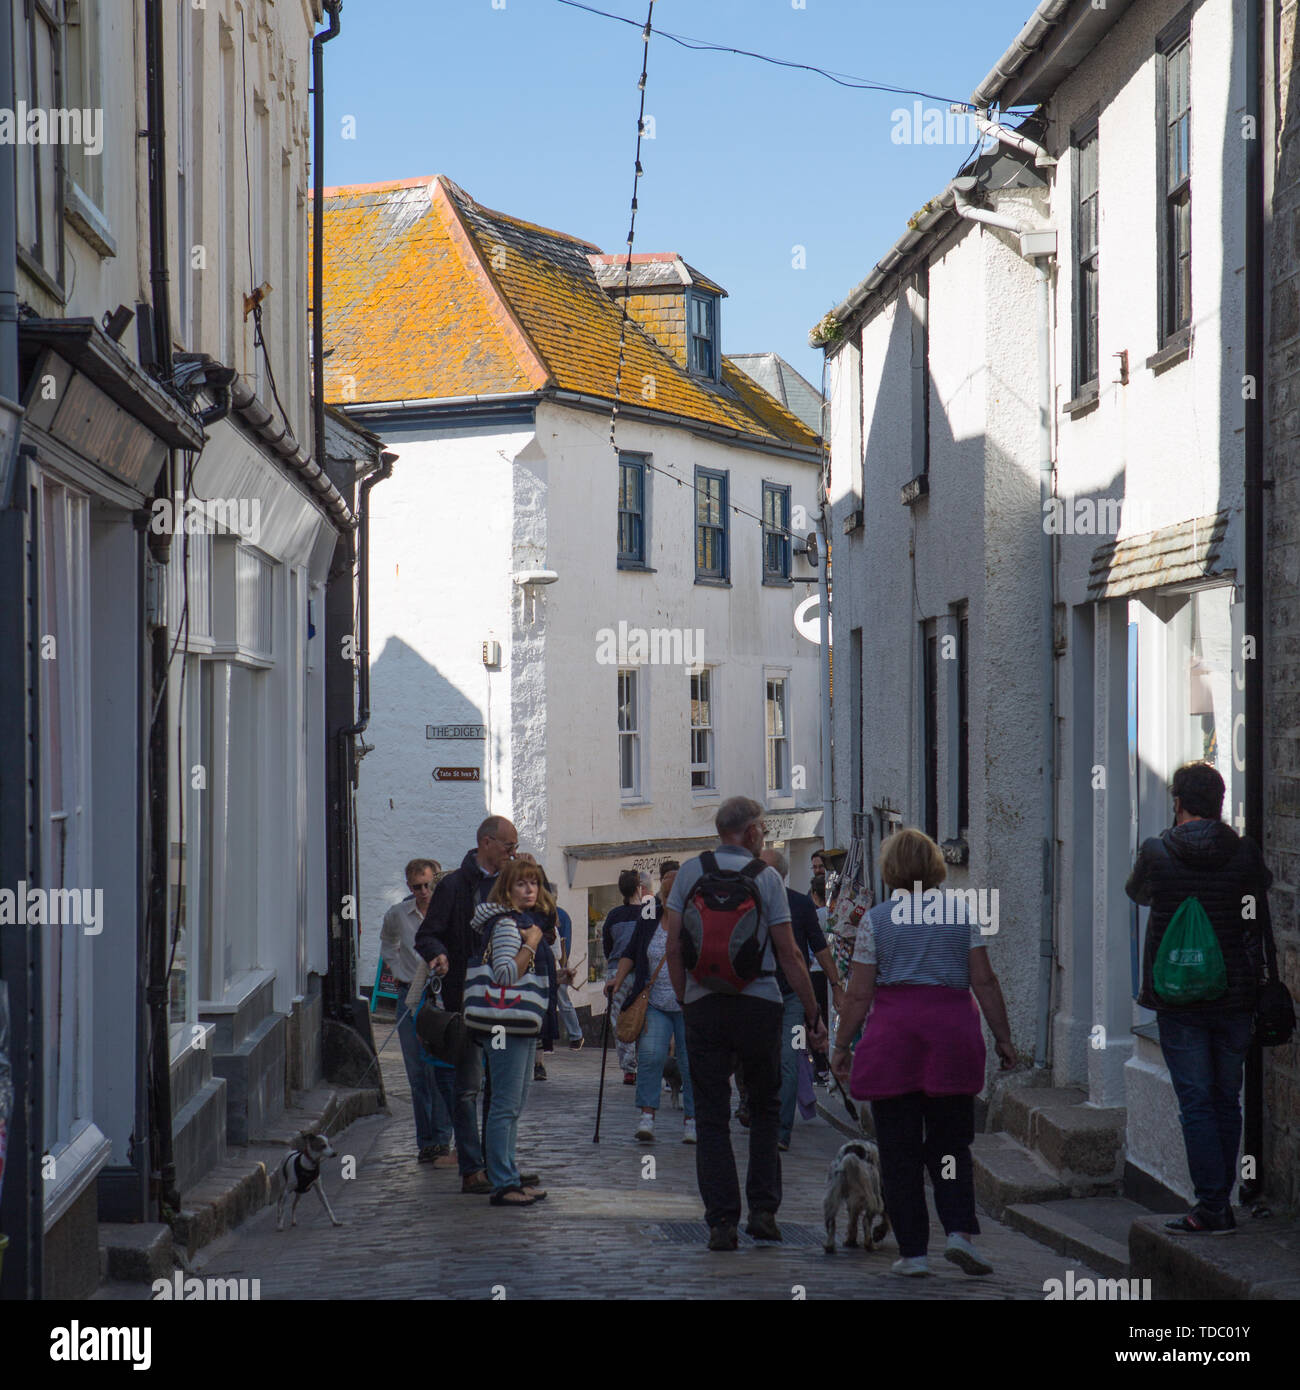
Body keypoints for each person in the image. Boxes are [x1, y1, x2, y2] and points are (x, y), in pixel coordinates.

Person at [831, 827, 1015, 1278]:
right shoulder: (961, 915)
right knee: (951, 1143)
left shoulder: (877, 920)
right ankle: (957, 1232)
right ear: (935, 868)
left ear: (891, 870)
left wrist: (840, 1046)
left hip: (895, 1039)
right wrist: (1004, 1039)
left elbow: (858, 995)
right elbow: (985, 982)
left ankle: (913, 1251)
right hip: (951, 1036)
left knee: (898, 1151)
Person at [663, 796, 827, 1251]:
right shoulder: (767, 878)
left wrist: (685, 997)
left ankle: (721, 1222)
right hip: (759, 1004)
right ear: (752, 832)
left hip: (704, 1006)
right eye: (762, 830)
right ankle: (763, 1212)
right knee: (765, 1108)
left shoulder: (691, 872)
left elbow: (674, 946)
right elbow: (791, 954)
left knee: (712, 1114)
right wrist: (812, 1014)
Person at [1125, 761, 1272, 1235]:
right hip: (1234, 995)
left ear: (1179, 803)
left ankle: (1211, 1206)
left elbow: (1138, 893)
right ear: (1220, 803)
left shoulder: (1157, 852)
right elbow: (1259, 894)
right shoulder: (1244, 852)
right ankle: (1222, 1198)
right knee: (1227, 1099)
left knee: (1196, 1102)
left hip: (1180, 995)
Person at [416, 816, 518, 1195]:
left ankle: (500, 1165)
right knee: (468, 1088)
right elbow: (428, 934)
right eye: (508, 845)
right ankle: (472, 1168)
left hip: (506, 1006)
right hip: (467, 1004)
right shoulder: (455, 885)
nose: (513, 851)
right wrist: (439, 955)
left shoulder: (511, 884)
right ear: (487, 843)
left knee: (502, 1088)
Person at [470, 859, 552, 1207]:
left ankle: (510, 1175)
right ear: (507, 889)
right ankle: (502, 1183)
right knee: (504, 1104)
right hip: (506, 1023)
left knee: (513, 1104)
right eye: (521, 884)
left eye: (534, 883)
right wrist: (531, 944)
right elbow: (504, 974)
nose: (530, 890)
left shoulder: (523, 922)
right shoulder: (507, 925)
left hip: (521, 1021)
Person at [760, 849, 844, 1150]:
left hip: (792, 997)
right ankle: (755, 1111)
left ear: (780, 874)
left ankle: (781, 1131)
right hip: (758, 997)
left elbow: (820, 948)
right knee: (757, 1060)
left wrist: (835, 984)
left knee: (788, 1061)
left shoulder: (799, 904)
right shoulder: (749, 903)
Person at [380, 858, 457, 1165]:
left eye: (428, 885)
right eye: (416, 887)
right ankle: (426, 1141)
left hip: (440, 996)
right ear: (408, 886)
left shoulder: (447, 912)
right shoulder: (398, 914)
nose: (424, 892)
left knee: (440, 1068)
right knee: (416, 1073)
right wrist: (398, 970)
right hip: (410, 995)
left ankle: (442, 1138)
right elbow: (388, 942)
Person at [605, 896, 697, 1145]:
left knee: (690, 1063)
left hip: (688, 1003)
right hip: (655, 1001)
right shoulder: (649, 918)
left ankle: (692, 1120)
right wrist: (619, 980)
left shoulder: (694, 919)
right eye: (666, 896)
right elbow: (631, 952)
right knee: (650, 1056)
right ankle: (647, 1118)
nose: (669, 901)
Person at [601, 870, 651, 1083]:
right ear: (640, 887)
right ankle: (644, 1062)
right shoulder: (648, 912)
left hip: (616, 972)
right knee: (643, 1018)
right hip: (642, 972)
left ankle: (629, 1068)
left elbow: (607, 946)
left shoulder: (614, 915)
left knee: (619, 1019)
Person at [809, 873, 832, 1082]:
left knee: (816, 1020)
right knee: (830, 1016)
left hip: (815, 972)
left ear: (815, 894)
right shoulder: (834, 914)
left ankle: (821, 1067)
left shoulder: (815, 915)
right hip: (832, 972)